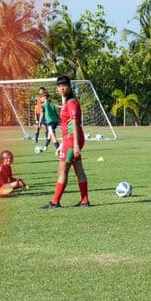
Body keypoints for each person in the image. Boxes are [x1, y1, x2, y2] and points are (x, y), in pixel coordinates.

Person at [43, 75, 89, 208]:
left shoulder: (72, 103)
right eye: (59, 86)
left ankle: (55, 202)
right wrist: (62, 145)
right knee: (79, 170)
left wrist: (75, 145)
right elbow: (67, 125)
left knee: (62, 171)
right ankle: (85, 200)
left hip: (72, 141)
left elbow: (74, 123)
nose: (61, 88)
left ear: (69, 87)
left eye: (64, 85)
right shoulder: (67, 103)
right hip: (70, 141)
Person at [33, 87, 54, 152]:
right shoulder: (37, 98)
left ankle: (47, 140)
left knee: (45, 127)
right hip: (39, 114)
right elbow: (35, 108)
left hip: (44, 114)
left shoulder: (46, 98)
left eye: (42, 91)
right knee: (37, 127)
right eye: (40, 91)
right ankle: (36, 139)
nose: (41, 92)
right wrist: (36, 117)